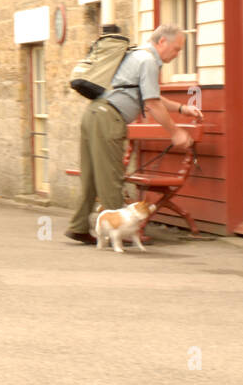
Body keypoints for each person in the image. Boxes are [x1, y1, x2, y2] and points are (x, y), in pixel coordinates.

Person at [65, 24, 203, 244]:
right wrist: (175, 132)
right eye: (176, 49)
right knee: (111, 177)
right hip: (108, 118)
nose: (177, 55)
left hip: (92, 114)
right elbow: (152, 104)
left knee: (91, 177)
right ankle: (119, 231)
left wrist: (181, 109)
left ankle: (78, 226)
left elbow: (151, 97)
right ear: (162, 42)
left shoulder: (137, 55)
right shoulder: (148, 61)